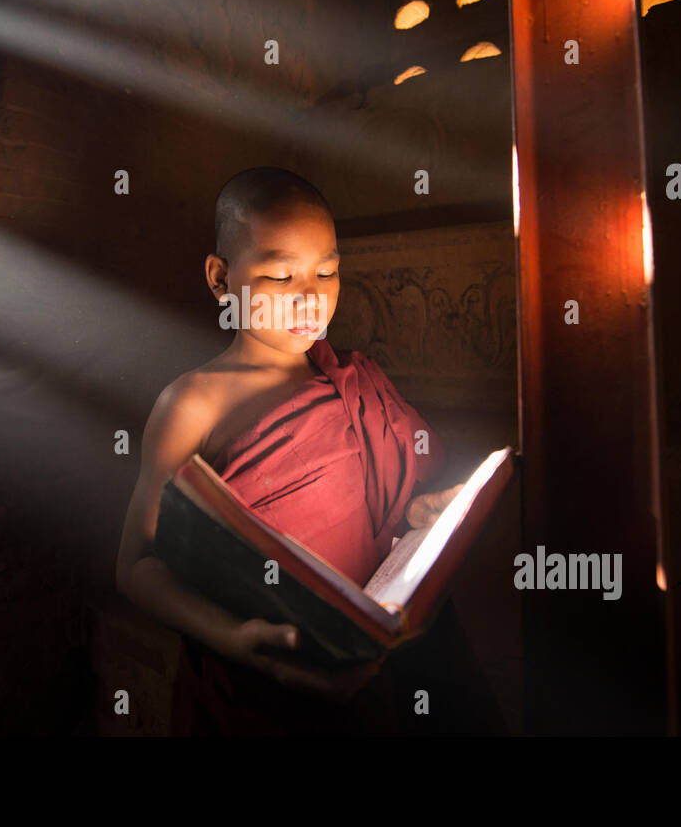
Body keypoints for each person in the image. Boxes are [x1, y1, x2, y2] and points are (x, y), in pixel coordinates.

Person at [115, 166, 505, 735]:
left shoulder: (349, 382)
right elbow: (136, 565)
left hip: (362, 677)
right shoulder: (193, 405)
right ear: (222, 278)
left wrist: (418, 511)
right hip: (253, 682)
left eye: (327, 271)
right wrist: (233, 639)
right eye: (281, 275)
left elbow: (384, 503)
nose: (311, 297)